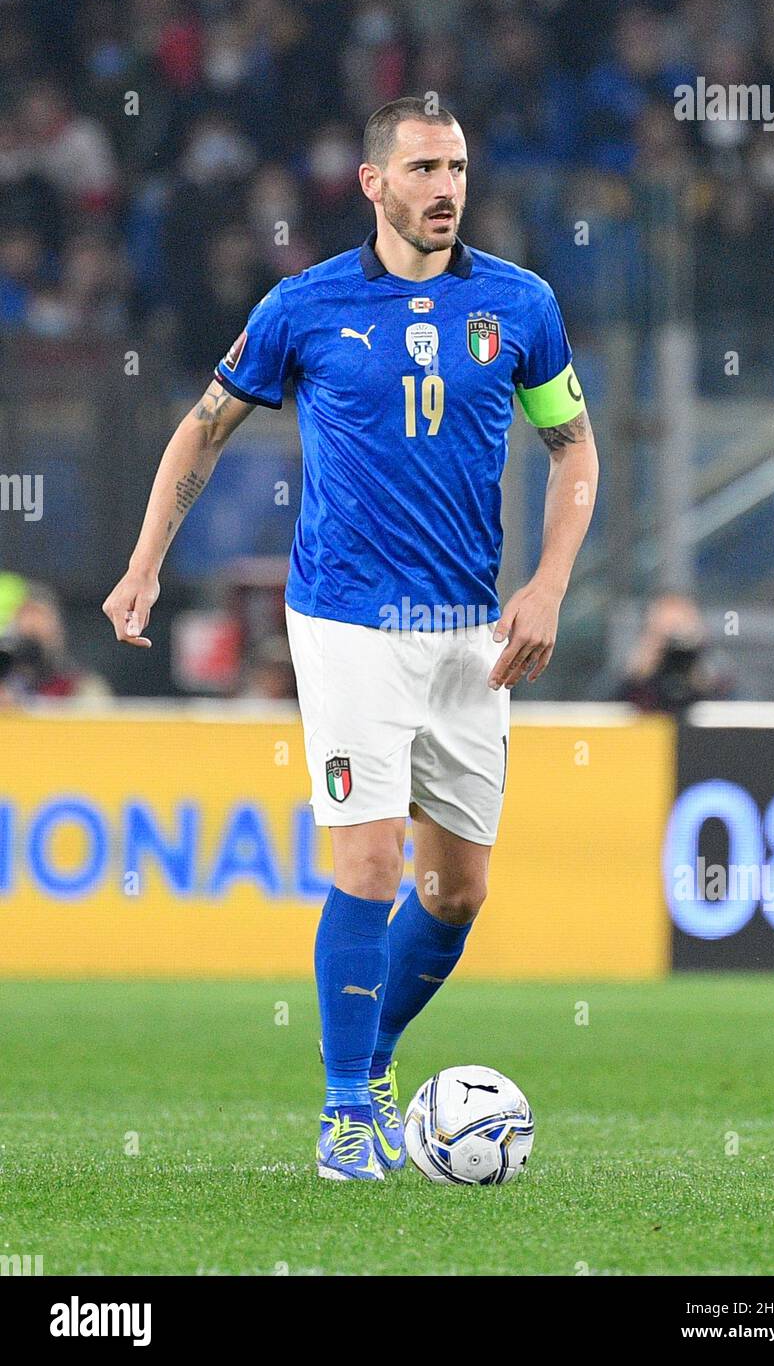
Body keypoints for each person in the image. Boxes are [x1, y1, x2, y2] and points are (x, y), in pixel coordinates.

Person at [102, 98, 599, 1181]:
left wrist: (548, 585)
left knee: (457, 891)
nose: (445, 187)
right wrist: (144, 563)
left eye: (458, 166)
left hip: (468, 630)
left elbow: (572, 449)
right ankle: (341, 1116)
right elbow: (204, 425)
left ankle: (369, 1067)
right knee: (370, 862)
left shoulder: (520, 305)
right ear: (373, 182)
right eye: (422, 166)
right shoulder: (305, 306)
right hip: (344, 621)